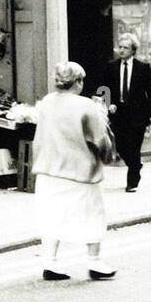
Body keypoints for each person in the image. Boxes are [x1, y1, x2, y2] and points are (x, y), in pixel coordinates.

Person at [33, 61, 115, 280]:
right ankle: (95, 262)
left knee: (52, 216)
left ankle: (50, 263)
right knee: (93, 215)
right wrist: (108, 157)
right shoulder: (86, 105)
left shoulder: (47, 102)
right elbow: (100, 140)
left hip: (49, 169)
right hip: (80, 171)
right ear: (77, 82)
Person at [94, 34, 151, 192]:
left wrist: (150, 115)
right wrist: (109, 104)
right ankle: (136, 165)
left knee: (134, 147)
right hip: (118, 112)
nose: (121, 50)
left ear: (133, 50)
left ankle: (132, 181)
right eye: (119, 47)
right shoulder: (111, 66)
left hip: (137, 114)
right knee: (121, 146)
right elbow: (103, 88)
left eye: (125, 47)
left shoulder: (143, 68)